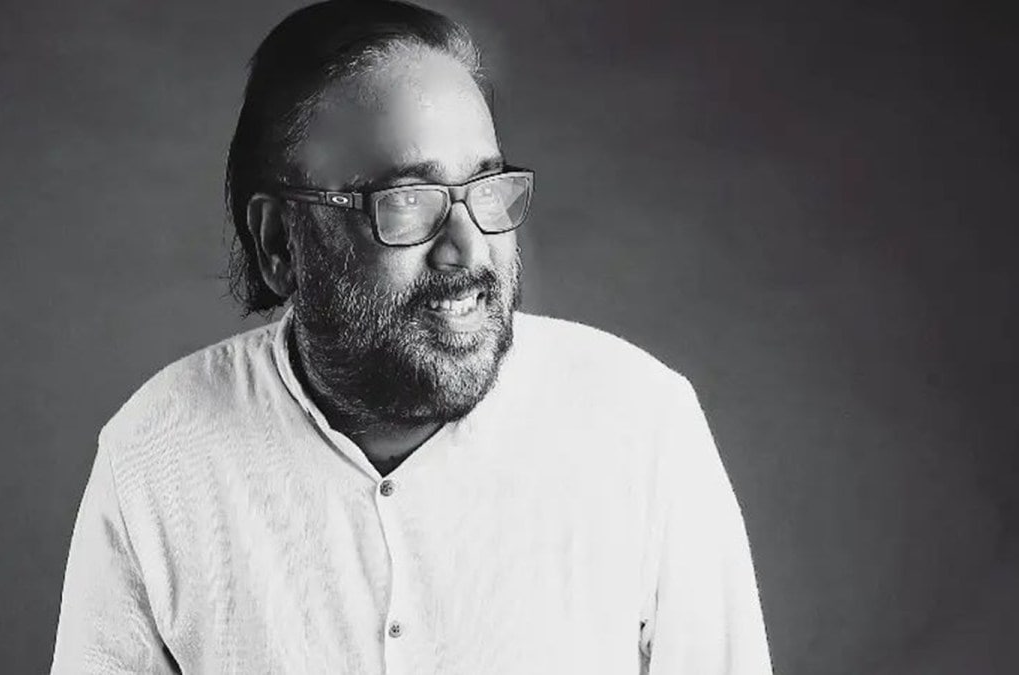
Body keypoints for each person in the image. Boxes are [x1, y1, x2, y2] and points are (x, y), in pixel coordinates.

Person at [50, 1, 773, 672]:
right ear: (280, 242)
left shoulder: (642, 424)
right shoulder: (156, 454)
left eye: (486, 188)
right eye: (406, 200)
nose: (468, 247)